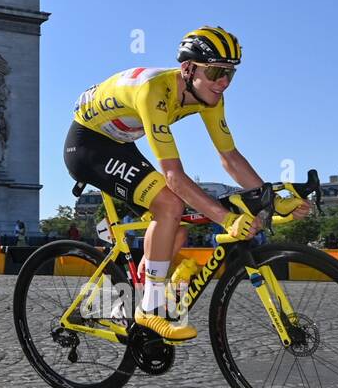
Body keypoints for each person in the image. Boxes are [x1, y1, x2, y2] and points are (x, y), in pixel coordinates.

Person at [63, 26, 310, 341]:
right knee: (169, 203)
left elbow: (229, 158)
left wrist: (270, 197)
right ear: (188, 69)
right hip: (88, 145)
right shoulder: (154, 91)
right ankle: (149, 309)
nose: (224, 83)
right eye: (217, 72)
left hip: (121, 142)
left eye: (230, 75)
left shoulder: (210, 97)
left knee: (175, 227)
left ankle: (127, 294)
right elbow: (174, 177)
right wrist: (226, 218)